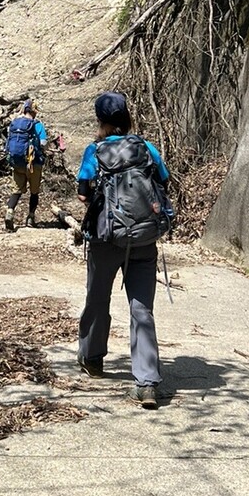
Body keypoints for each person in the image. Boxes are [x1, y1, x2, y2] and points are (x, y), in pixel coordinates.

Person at [76, 90, 172, 409]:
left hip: (105, 239)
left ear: (101, 122)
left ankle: (92, 358)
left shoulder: (95, 151)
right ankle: (146, 383)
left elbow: (82, 193)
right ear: (127, 118)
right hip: (144, 239)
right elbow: (163, 180)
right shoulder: (145, 148)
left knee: (97, 298)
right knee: (141, 309)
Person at [4, 98, 49, 231]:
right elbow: (43, 143)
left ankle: (9, 213)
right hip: (33, 163)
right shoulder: (37, 125)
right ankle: (30, 217)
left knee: (16, 191)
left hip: (17, 163)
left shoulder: (14, 123)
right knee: (34, 192)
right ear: (34, 111)